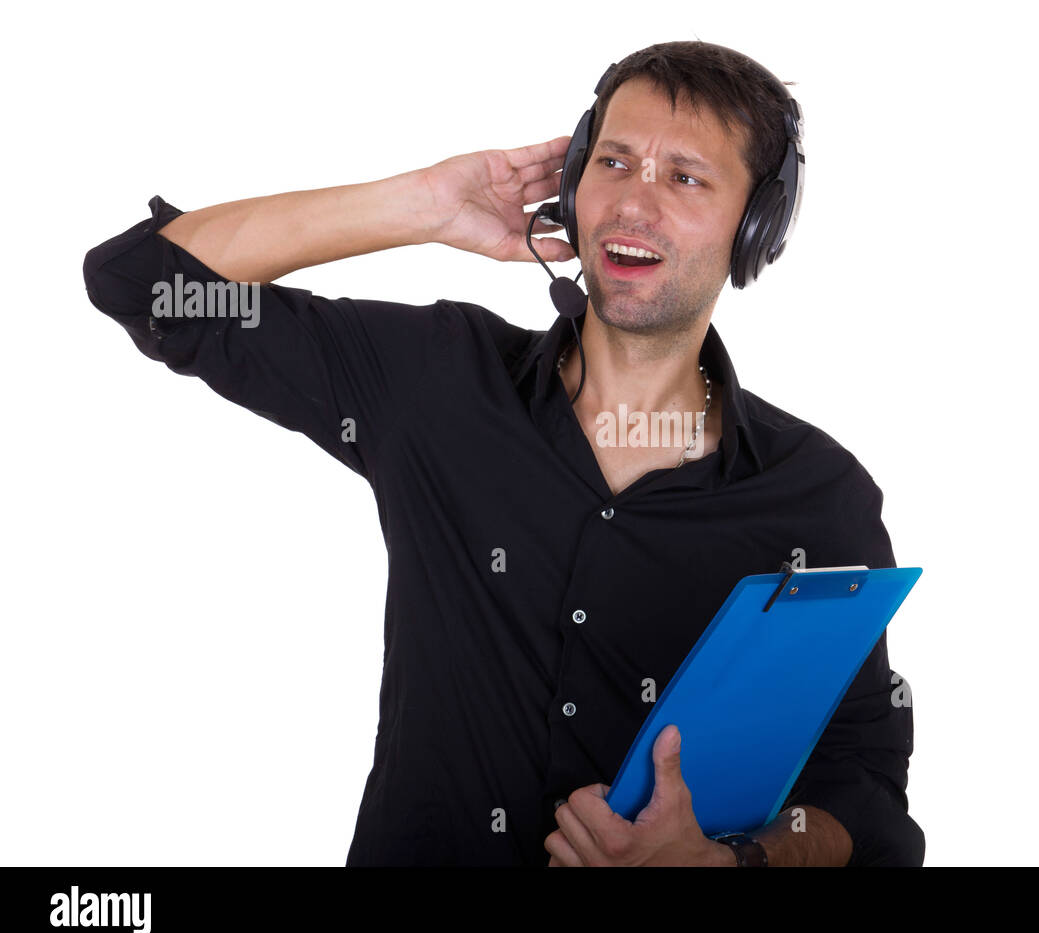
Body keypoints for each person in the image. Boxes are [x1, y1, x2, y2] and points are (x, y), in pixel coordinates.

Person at [81, 40, 924, 866]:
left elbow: (865, 790)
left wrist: (732, 864)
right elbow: (145, 284)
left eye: (686, 177)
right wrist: (421, 205)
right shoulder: (437, 377)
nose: (635, 204)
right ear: (573, 187)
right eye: (615, 164)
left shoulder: (818, 496)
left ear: (755, 227)